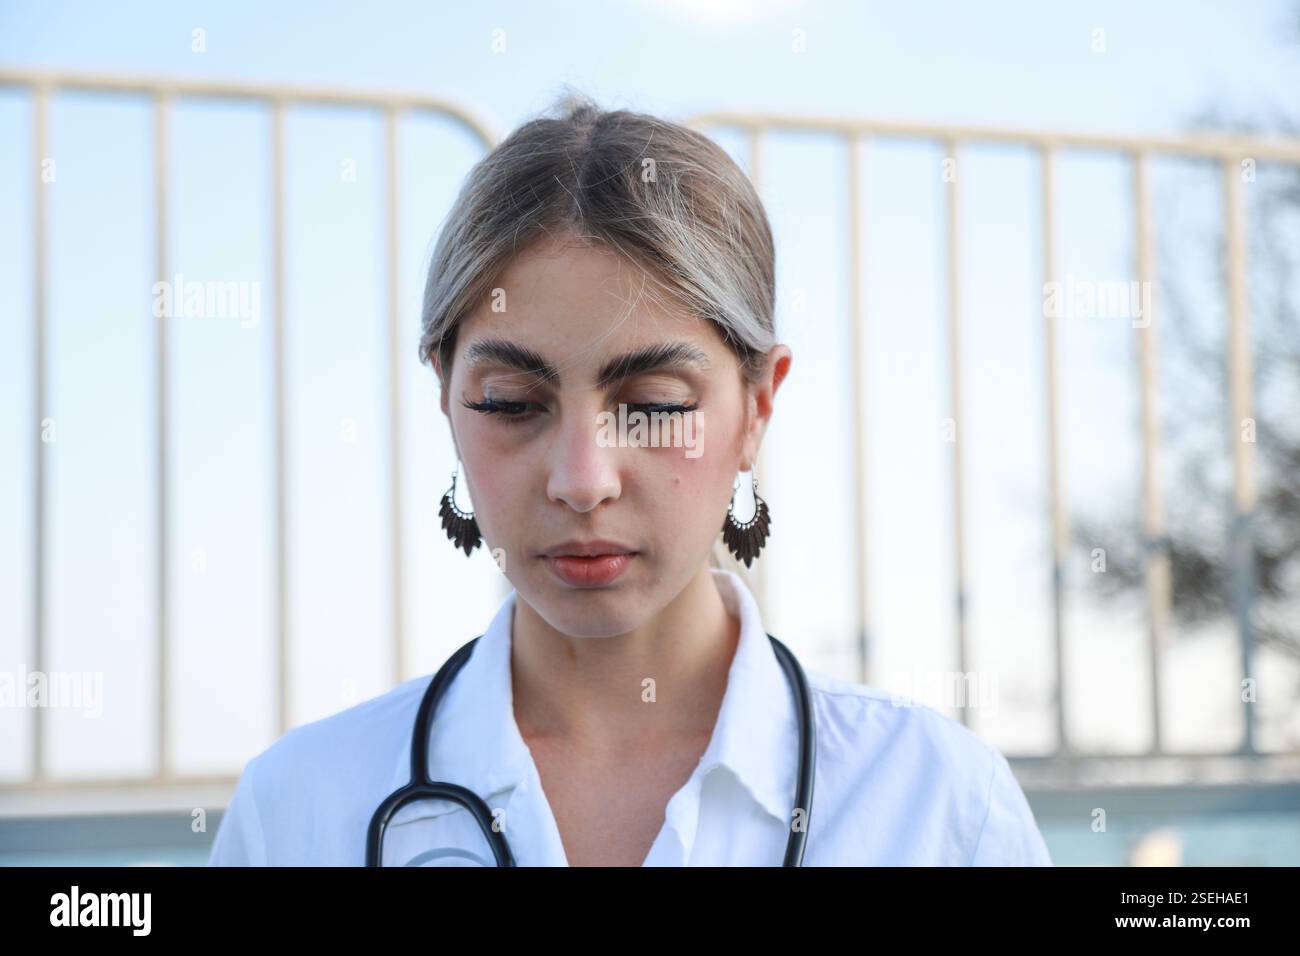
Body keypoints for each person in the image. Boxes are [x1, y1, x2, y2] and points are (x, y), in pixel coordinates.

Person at [208, 93, 1052, 867]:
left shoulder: (939, 809)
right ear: (446, 395)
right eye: (510, 403)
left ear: (757, 405)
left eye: (651, 403)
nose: (582, 480)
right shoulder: (300, 812)